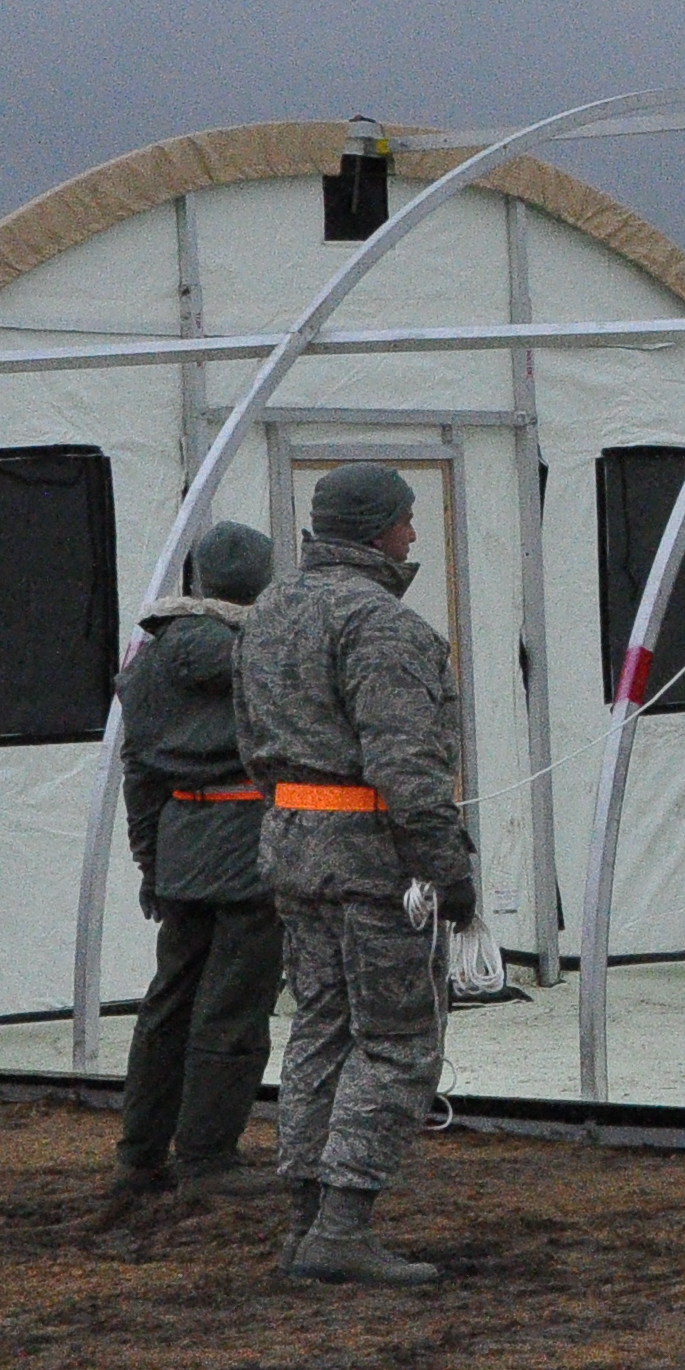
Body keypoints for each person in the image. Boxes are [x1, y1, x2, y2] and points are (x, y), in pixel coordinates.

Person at [240, 463, 473, 1285]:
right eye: (407, 521)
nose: (413, 534)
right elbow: (408, 769)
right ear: (378, 529)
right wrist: (450, 872)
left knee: (318, 1031)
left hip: (294, 851)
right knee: (399, 1040)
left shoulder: (269, 611)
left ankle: (303, 1223)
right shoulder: (383, 625)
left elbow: (253, 742)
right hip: (372, 862)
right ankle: (342, 1228)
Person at [107, 521, 284, 1207]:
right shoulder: (267, 655)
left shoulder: (146, 661)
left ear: (199, 578)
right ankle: (208, 1155)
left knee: (169, 1003)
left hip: (182, 843)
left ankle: (140, 1153)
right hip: (252, 843)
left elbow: (138, 772)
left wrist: (152, 863)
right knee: (234, 1007)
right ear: (262, 580)